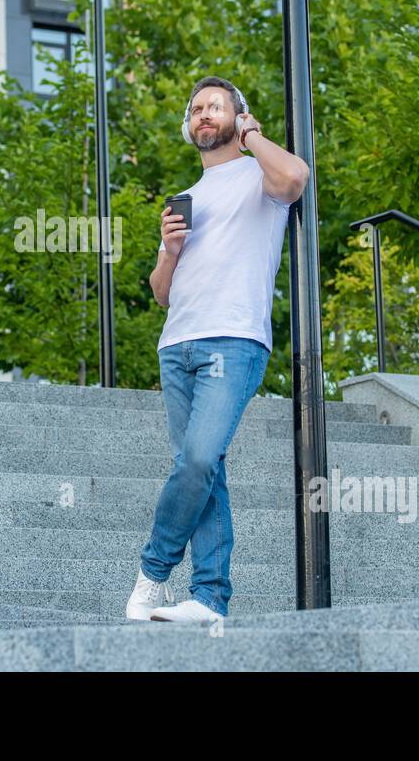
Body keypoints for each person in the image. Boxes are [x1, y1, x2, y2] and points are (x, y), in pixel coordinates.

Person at [125, 75, 311, 623]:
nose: (204, 114)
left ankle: (153, 572)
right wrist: (170, 250)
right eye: (196, 108)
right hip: (176, 344)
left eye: (216, 106)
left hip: (233, 339)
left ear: (238, 116)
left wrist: (253, 135)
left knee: (200, 458)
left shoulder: (262, 174)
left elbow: (297, 177)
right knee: (204, 470)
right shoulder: (188, 197)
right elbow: (161, 293)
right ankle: (209, 599)